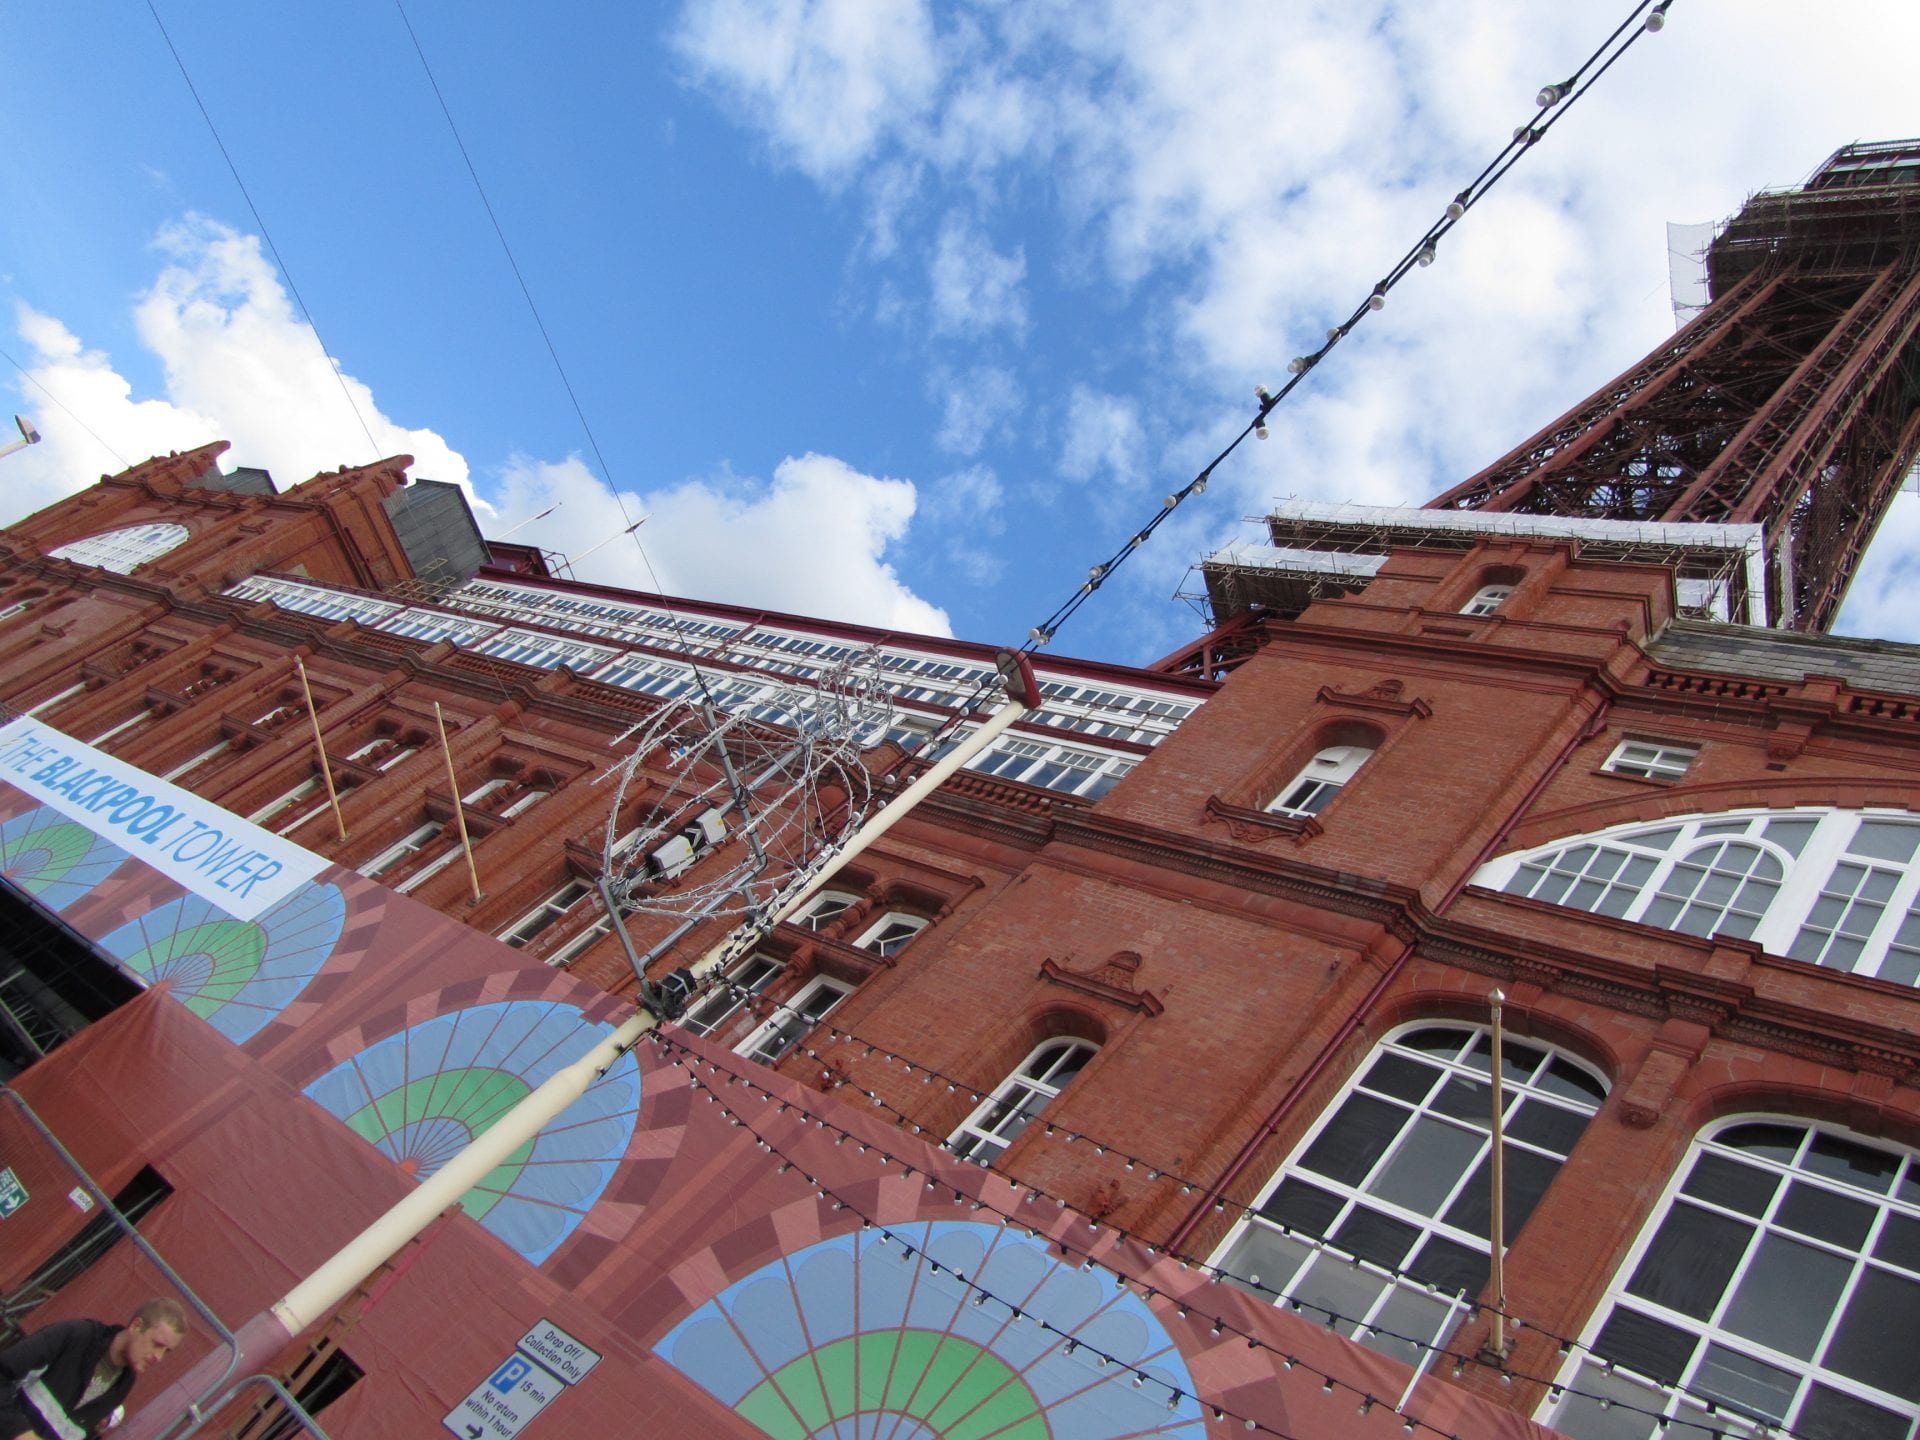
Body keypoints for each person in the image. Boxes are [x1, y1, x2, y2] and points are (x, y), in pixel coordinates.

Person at [0, 1298, 188, 1439]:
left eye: (167, 1351)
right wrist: (20, 1431)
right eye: (157, 1344)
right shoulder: (76, 1336)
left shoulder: (122, 1385)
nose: (159, 1357)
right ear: (136, 1326)